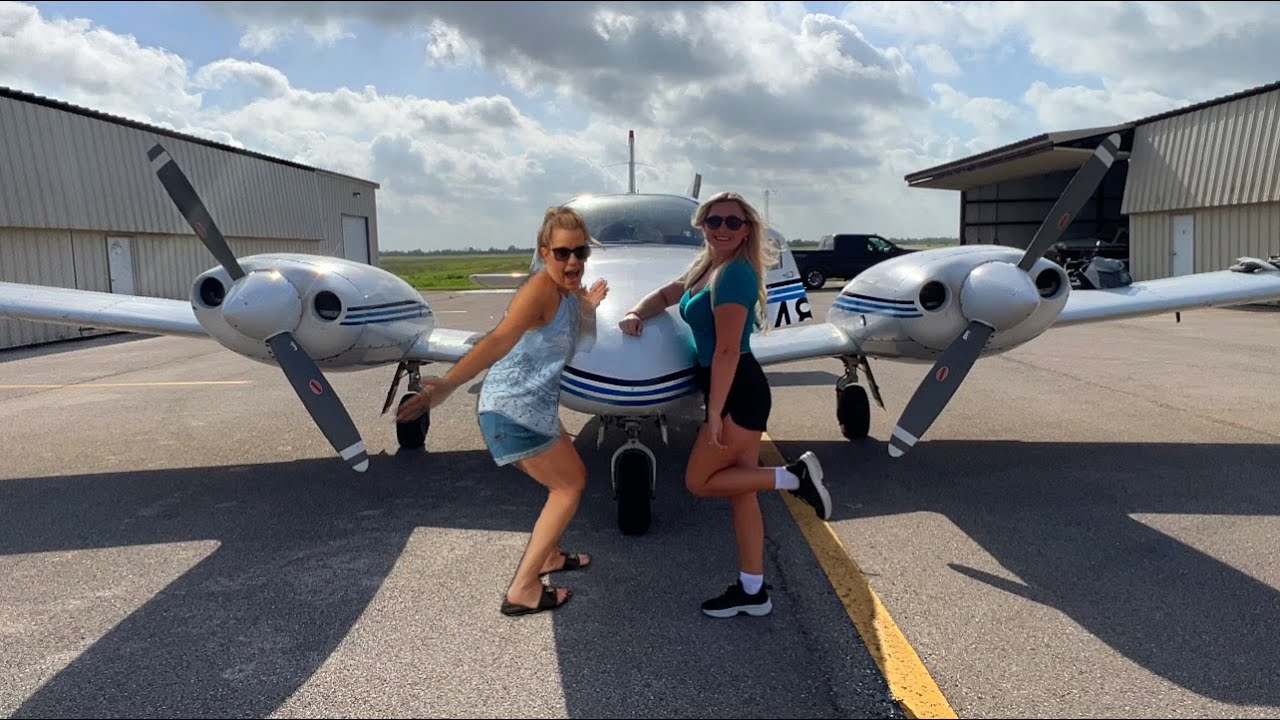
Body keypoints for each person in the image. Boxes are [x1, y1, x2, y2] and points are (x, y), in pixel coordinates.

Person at [618, 190, 831, 619]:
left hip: (735, 389)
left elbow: (729, 351)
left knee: (700, 482)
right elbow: (665, 294)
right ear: (702, 225)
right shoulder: (706, 266)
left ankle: (793, 477)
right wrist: (636, 311)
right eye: (714, 221)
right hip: (731, 388)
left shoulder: (734, 275)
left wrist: (714, 412)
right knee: (741, 493)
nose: (722, 228)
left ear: (747, 229)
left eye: (733, 222)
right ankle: (753, 590)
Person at [396, 205, 608, 617]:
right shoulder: (539, 291)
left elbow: (574, 341)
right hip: (512, 411)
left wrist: (586, 306)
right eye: (562, 253)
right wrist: (445, 387)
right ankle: (524, 588)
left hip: (532, 410)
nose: (573, 262)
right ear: (544, 252)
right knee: (568, 487)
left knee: (568, 479)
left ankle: (548, 557)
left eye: (580, 253)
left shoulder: (565, 296)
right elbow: (497, 342)